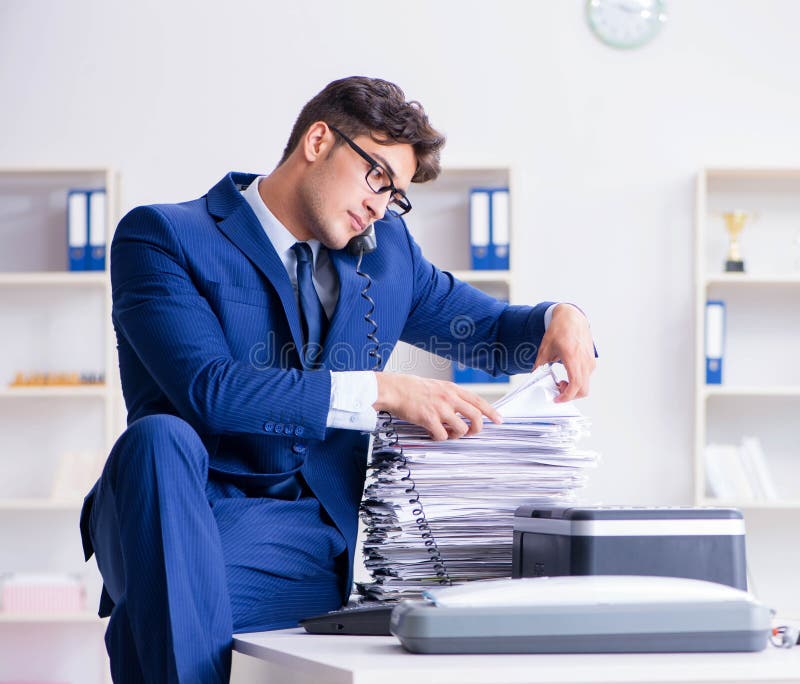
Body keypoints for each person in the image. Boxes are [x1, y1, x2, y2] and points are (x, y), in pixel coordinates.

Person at [80, 75, 596, 683]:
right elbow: (208, 388)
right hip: (180, 505)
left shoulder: (385, 252)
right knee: (158, 439)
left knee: (159, 616)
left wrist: (563, 316)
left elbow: (486, 330)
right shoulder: (164, 236)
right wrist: (380, 389)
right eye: (377, 177)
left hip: (305, 543)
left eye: (396, 194)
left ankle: (153, 613)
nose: (382, 204)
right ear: (318, 140)